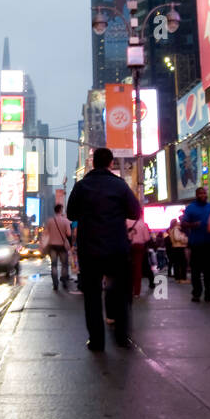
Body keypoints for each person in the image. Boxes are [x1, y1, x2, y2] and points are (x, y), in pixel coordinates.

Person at [67, 147, 141, 351]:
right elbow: (136, 212)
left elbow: (71, 214)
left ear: (92, 163)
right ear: (111, 163)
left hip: (90, 250)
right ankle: (122, 337)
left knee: (91, 297)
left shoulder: (82, 186)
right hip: (117, 248)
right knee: (120, 293)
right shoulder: (119, 185)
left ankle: (97, 341)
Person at [181, 186, 210, 303]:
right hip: (196, 243)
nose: (202, 195)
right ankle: (196, 293)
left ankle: (209, 294)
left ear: (206, 194)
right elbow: (183, 223)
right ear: (196, 195)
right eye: (200, 194)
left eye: (204, 193)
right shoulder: (190, 208)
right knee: (196, 271)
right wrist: (193, 225)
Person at [42, 203, 72, 291]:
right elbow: (69, 234)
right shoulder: (65, 221)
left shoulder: (50, 221)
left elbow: (46, 233)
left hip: (52, 246)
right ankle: (64, 281)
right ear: (61, 210)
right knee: (64, 265)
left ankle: (55, 283)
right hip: (62, 246)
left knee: (54, 265)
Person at [128, 213, 152, 298]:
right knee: (138, 269)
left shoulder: (125, 222)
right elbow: (147, 238)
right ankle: (136, 292)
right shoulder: (142, 224)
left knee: (127, 268)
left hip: (127, 247)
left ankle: (128, 290)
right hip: (139, 247)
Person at [168, 217, 188, 281]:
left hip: (174, 247)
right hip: (179, 247)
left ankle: (177, 277)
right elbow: (177, 238)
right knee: (183, 263)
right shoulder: (176, 229)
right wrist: (184, 238)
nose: (179, 222)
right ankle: (183, 278)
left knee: (176, 263)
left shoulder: (171, 230)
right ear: (175, 223)